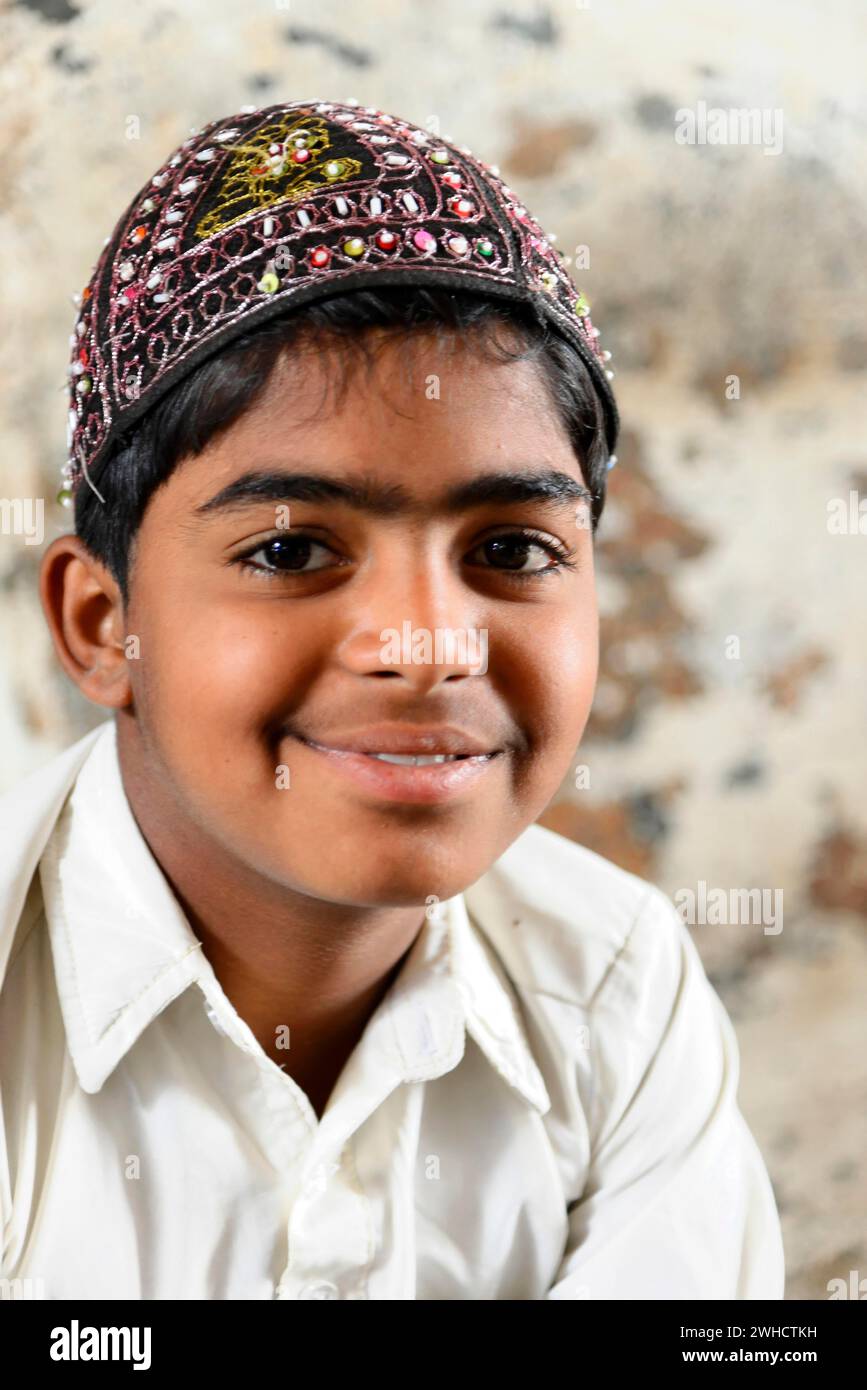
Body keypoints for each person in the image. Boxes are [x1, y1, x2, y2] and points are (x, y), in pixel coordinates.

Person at [0, 99, 784, 1300]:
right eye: (291, 551)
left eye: (514, 551)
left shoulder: (614, 991)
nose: (426, 647)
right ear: (102, 625)